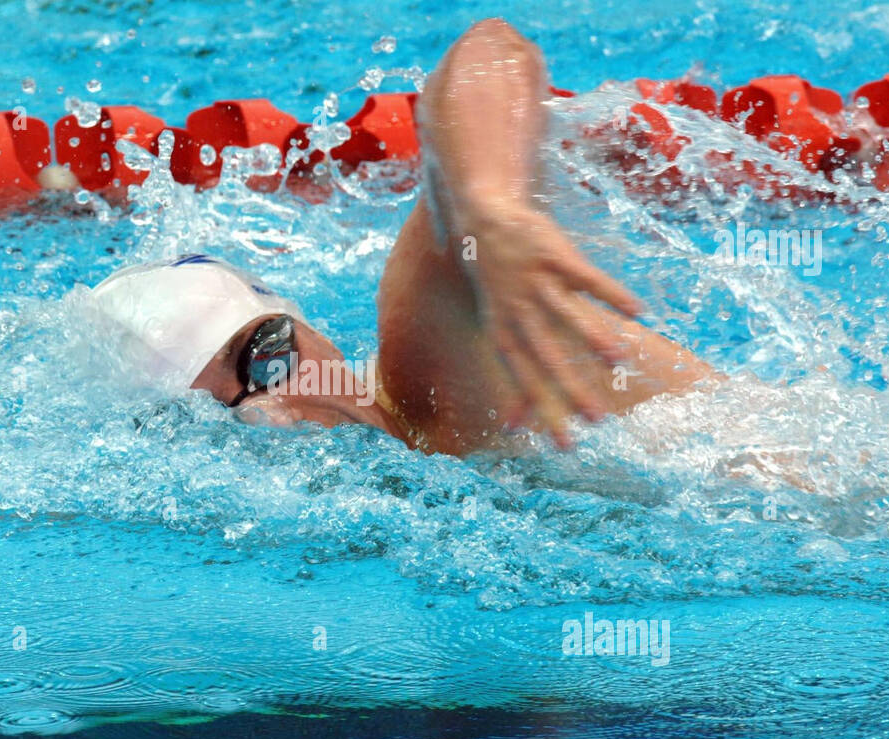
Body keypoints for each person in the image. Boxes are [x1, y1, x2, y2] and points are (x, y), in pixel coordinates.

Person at [91, 18, 715, 457]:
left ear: (301, 323)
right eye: (224, 420)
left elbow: (488, 50)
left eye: (267, 358)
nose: (273, 413)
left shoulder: (428, 367)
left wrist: (489, 208)